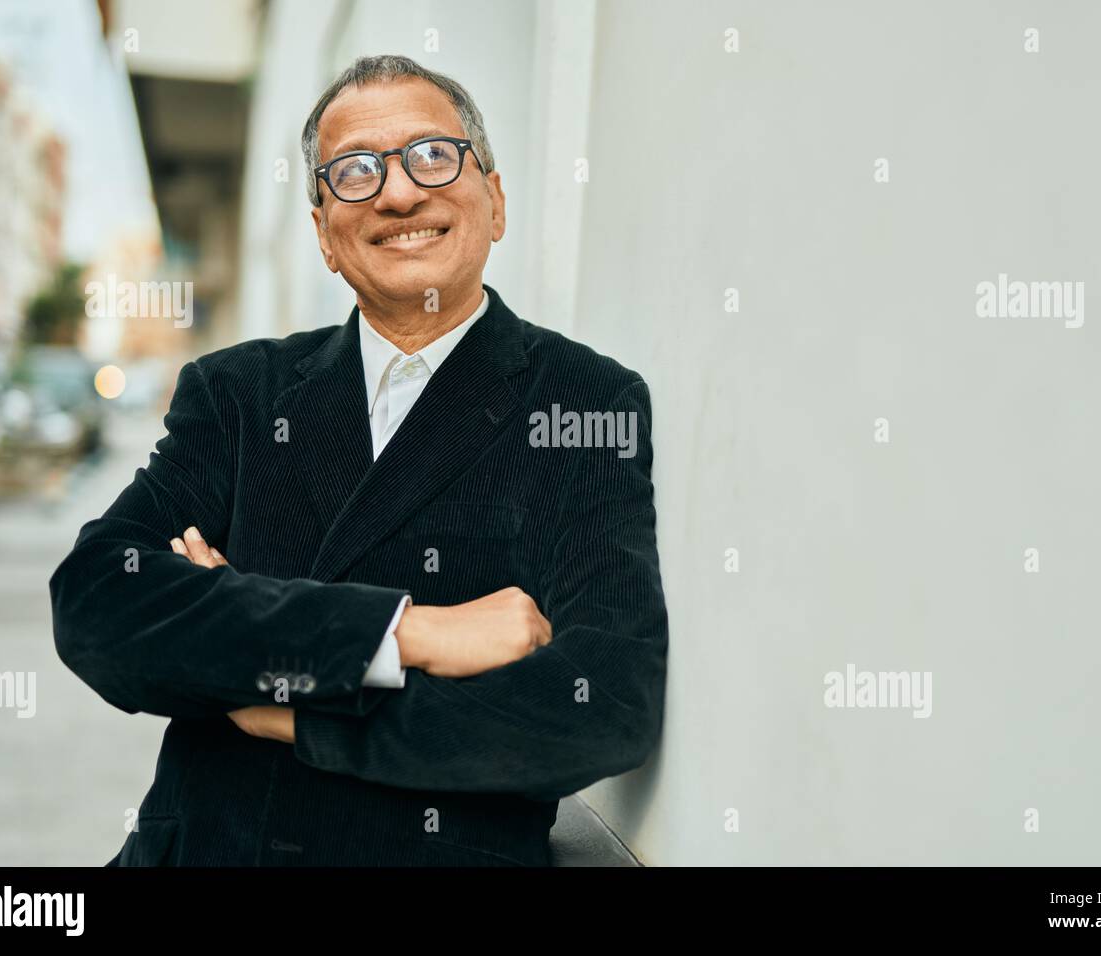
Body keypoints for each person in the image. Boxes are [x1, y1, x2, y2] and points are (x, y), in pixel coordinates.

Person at [49, 54, 668, 867]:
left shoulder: (581, 402)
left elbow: (599, 704)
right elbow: (102, 602)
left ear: (497, 201)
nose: (400, 192)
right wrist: (408, 634)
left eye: (433, 155)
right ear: (323, 236)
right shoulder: (239, 394)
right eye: (355, 172)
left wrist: (286, 705)